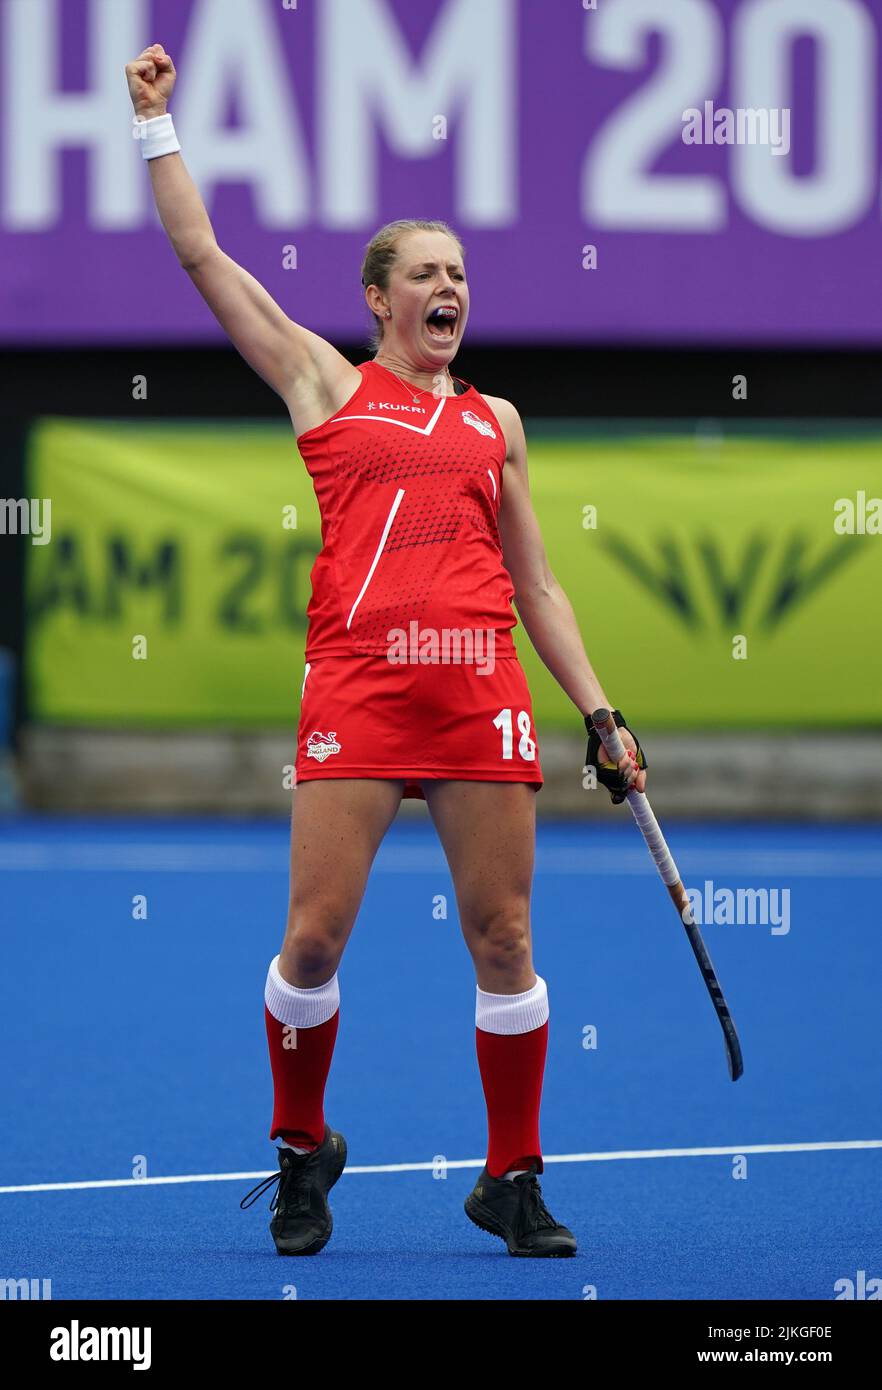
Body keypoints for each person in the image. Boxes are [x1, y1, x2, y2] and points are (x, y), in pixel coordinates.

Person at [126, 43, 647, 1260]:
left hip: (479, 692)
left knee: (505, 939)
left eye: (460, 270)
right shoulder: (324, 384)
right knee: (312, 940)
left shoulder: (494, 421)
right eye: (425, 271)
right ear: (381, 298)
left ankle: (510, 1175)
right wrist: (156, 126)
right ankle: (304, 1147)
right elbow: (206, 258)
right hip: (357, 690)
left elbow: (538, 582)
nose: (449, 285)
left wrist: (600, 711)